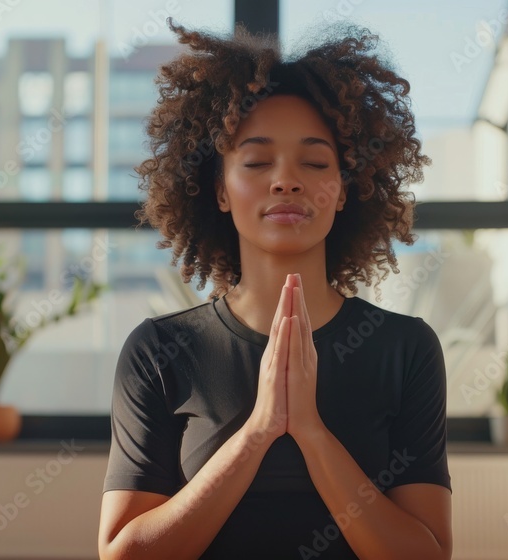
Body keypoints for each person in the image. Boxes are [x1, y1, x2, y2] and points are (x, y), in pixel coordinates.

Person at [99, 17, 452, 560]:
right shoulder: (158, 353)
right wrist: (258, 432)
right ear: (219, 190)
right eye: (257, 161)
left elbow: (426, 554)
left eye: (314, 162)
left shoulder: (405, 351)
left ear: (343, 192)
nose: (286, 179)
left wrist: (311, 433)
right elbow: (123, 553)